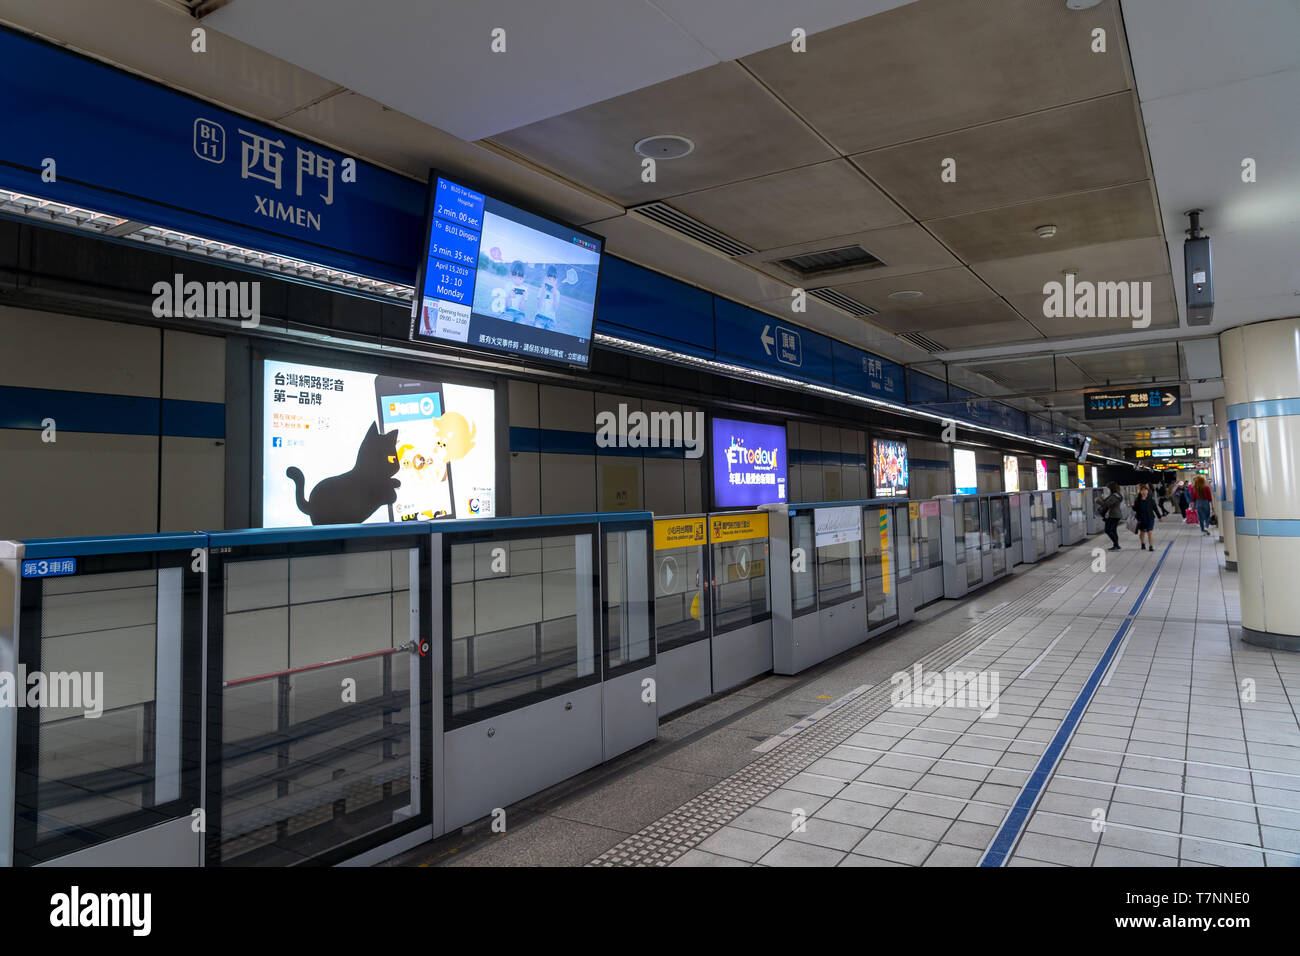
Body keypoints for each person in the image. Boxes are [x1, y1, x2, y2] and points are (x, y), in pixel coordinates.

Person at [1100, 481, 1123, 551]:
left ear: (1111, 488)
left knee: (1108, 530)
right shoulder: (1117, 495)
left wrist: (1098, 500)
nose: (1108, 490)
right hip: (1116, 515)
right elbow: (1108, 502)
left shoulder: (1114, 496)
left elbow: (1107, 504)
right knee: (1113, 530)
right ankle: (1116, 545)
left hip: (1114, 515)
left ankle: (1116, 544)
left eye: (1108, 488)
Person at [1133, 484, 1157, 550]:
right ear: (1140, 491)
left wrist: (1159, 516)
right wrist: (1133, 506)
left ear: (1147, 491)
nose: (1144, 491)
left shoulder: (1151, 499)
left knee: (1150, 532)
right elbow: (1135, 509)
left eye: (1145, 490)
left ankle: (1151, 546)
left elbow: (1155, 508)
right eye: (1142, 490)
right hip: (1141, 519)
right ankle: (1143, 543)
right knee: (1142, 533)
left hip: (1150, 518)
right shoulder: (1137, 500)